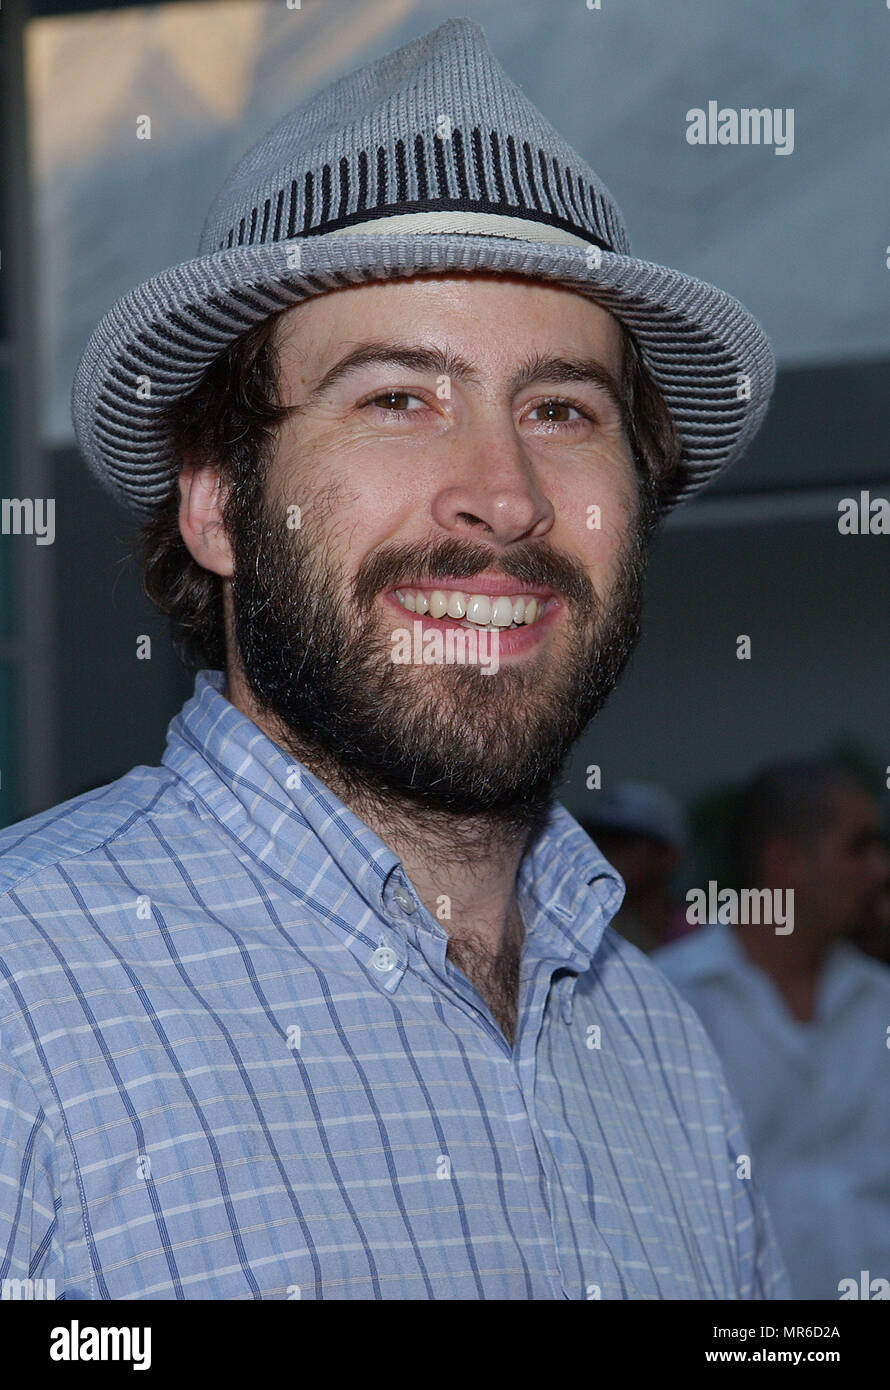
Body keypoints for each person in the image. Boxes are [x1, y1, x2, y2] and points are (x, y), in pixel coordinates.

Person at [0, 19, 789, 1299]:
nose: (502, 494)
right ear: (215, 504)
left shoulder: (659, 1049)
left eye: (561, 410)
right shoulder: (22, 999)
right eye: (396, 399)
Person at [655, 759, 890, 1299]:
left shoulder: (878, 1003)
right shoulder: (670, 1002)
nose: (880, 869)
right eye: (860, 847)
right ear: (785, 863)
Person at [580, 781, 688, 953]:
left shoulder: (698, 934)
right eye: (598, 839)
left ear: (667, 856)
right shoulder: (581, 929)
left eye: (622, 841)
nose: (603, 852)